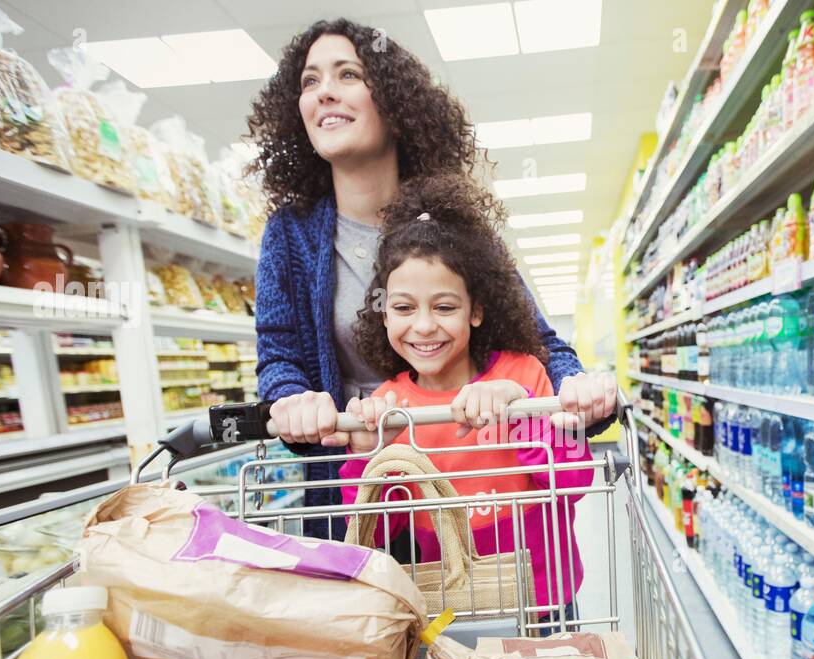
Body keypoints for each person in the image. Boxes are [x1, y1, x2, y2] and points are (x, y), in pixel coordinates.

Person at [245, 18, 615, 532]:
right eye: (310, 81)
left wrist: (578, 390)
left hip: (484, 483)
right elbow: (279, 357)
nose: (325, 92)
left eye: (347, 75)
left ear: (395, 106)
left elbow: (542, 344)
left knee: (504, 608)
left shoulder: (454, 226)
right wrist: (293, 401)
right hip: (362, 491)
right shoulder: (290, 235)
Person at [338, 174, 593, 617]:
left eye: (444, 307)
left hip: (543, 599)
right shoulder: (387, 406)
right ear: (383, 315)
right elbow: (373, 532)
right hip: (448, 604)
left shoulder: (523, 372)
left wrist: (518, 410)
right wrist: (367, 453)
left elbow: (574, 481)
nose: (422, 326)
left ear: (475, 311)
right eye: (402, 308)